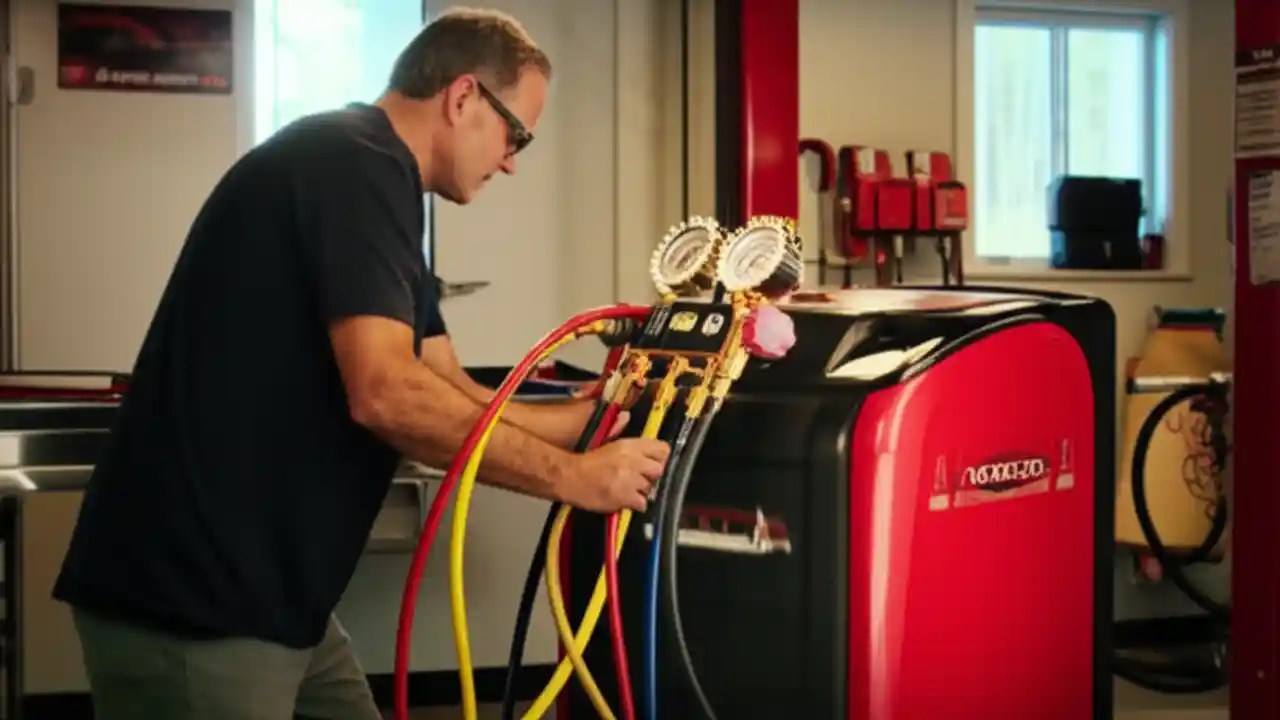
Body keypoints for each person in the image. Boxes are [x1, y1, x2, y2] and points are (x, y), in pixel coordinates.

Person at [51, 8, 670, 719]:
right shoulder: (353, 162)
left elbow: (448, 387)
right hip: (195, 602)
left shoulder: (383, 191)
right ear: (463, 97)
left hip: (277, 600)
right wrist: (576, 479)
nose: (511, 160)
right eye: (516, 133)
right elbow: (387, 395)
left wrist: (596, 417)